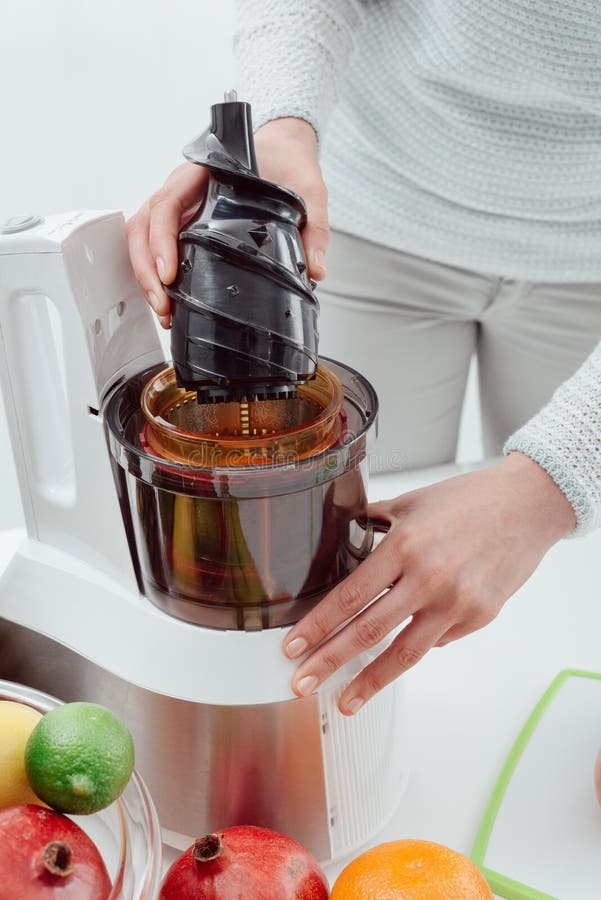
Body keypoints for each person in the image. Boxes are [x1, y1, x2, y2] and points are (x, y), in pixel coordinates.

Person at [127, 0, 601, 716]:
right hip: (366, 210)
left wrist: (546, 489)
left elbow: (541, 503)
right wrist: (276, 124)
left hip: (588, 256)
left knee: (573, 563)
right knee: (363, 533)